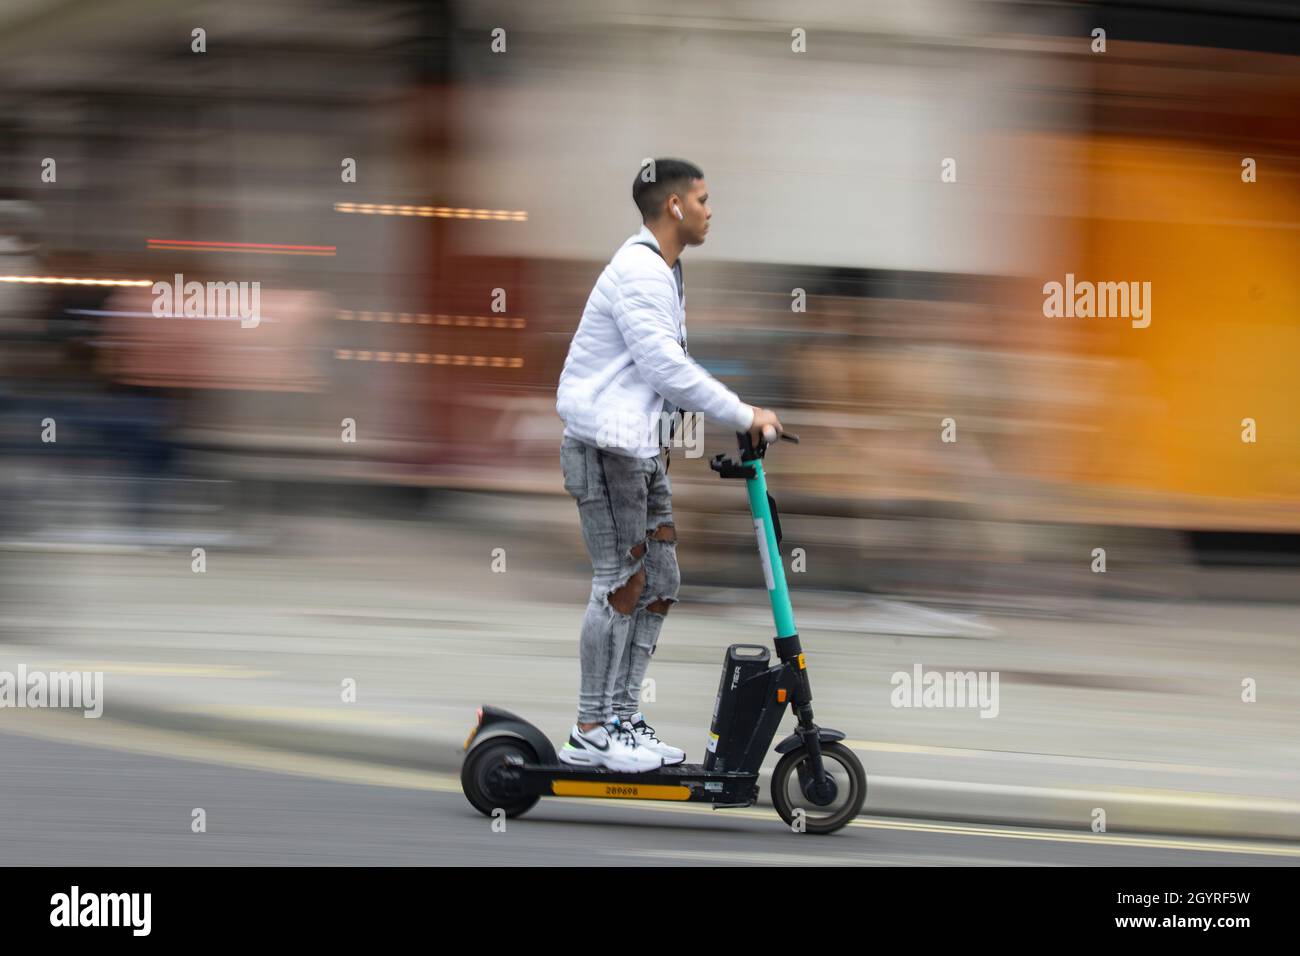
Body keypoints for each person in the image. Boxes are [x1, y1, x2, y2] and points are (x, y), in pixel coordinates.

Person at [554, 158, 783, 772]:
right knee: (619, 583)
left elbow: (656, 377)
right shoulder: (638, 271)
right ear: (675, 206)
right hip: (605, 451)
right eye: (704, 199)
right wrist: (742, 412)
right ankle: (590, 728)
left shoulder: (666, 270)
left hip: (639, 454)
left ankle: (624, 718)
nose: (712, 210)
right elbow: (663, 368)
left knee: (660, 584)